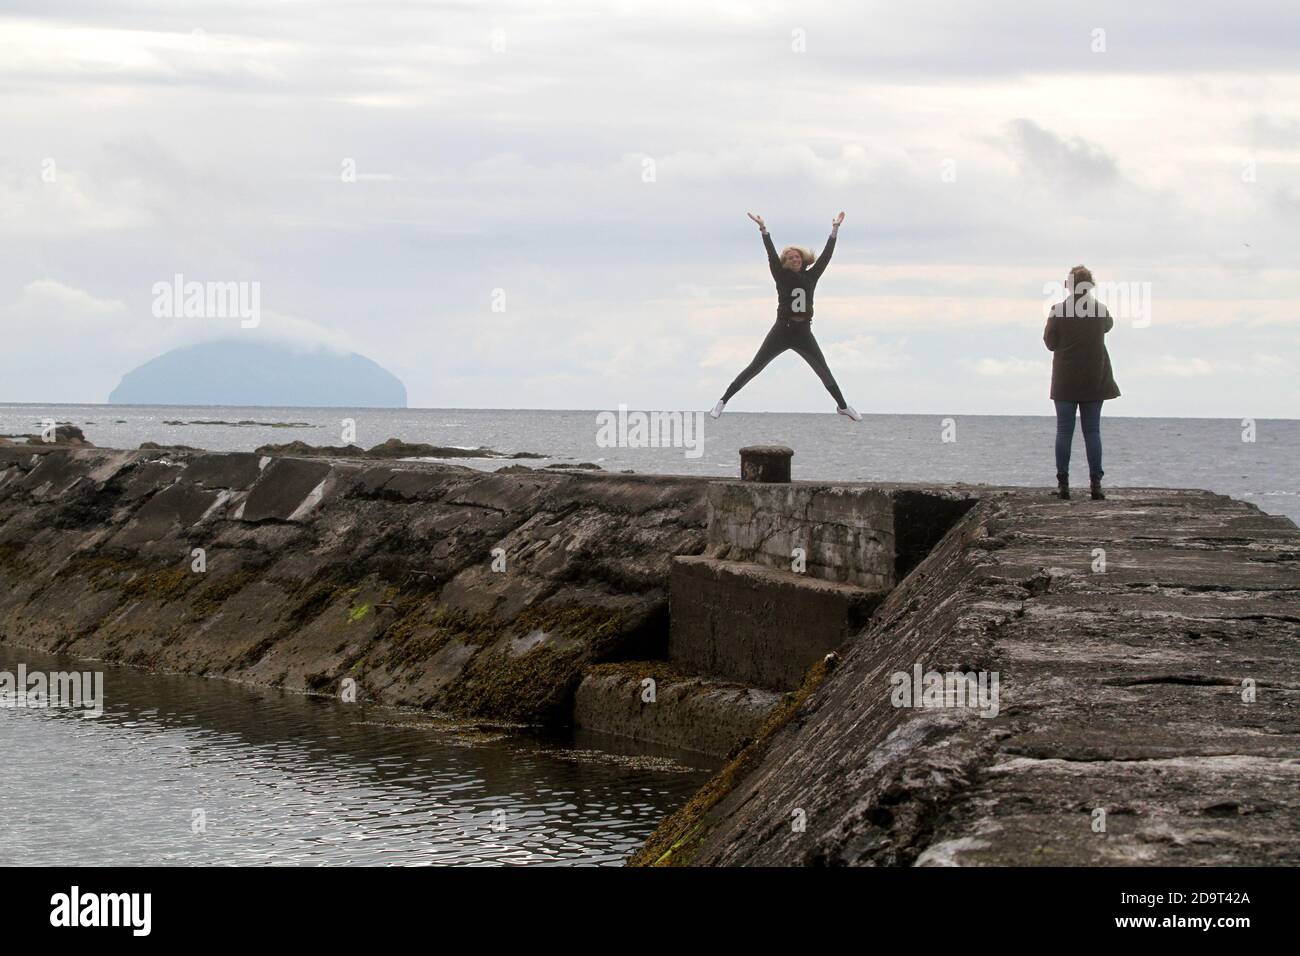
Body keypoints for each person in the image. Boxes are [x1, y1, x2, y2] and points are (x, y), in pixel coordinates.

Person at [710, 212, 861, 421]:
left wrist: (834, 231)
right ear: (786, 262)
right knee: (756, 366)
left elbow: (826, 257)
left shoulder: (811, 276)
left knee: (822, 369)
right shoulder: (780, 275)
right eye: (790, 258)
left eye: (797, 256)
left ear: (803, 259)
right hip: (782, 329)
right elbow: (771, 255)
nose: (795, 259)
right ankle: (722, 401)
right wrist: (764, 230)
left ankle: (843, 406)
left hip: (803, 331)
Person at [1043, 265, 1121, 500]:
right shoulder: (1100, 310)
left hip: (1065, 379)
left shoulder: (1058, 310)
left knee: (1064, 431)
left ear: (1069, 285)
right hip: (1093, 378)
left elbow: (1049, 343)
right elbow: (1107, 327)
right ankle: (1095, 485)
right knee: (1093, 431)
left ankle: (1063, 484)